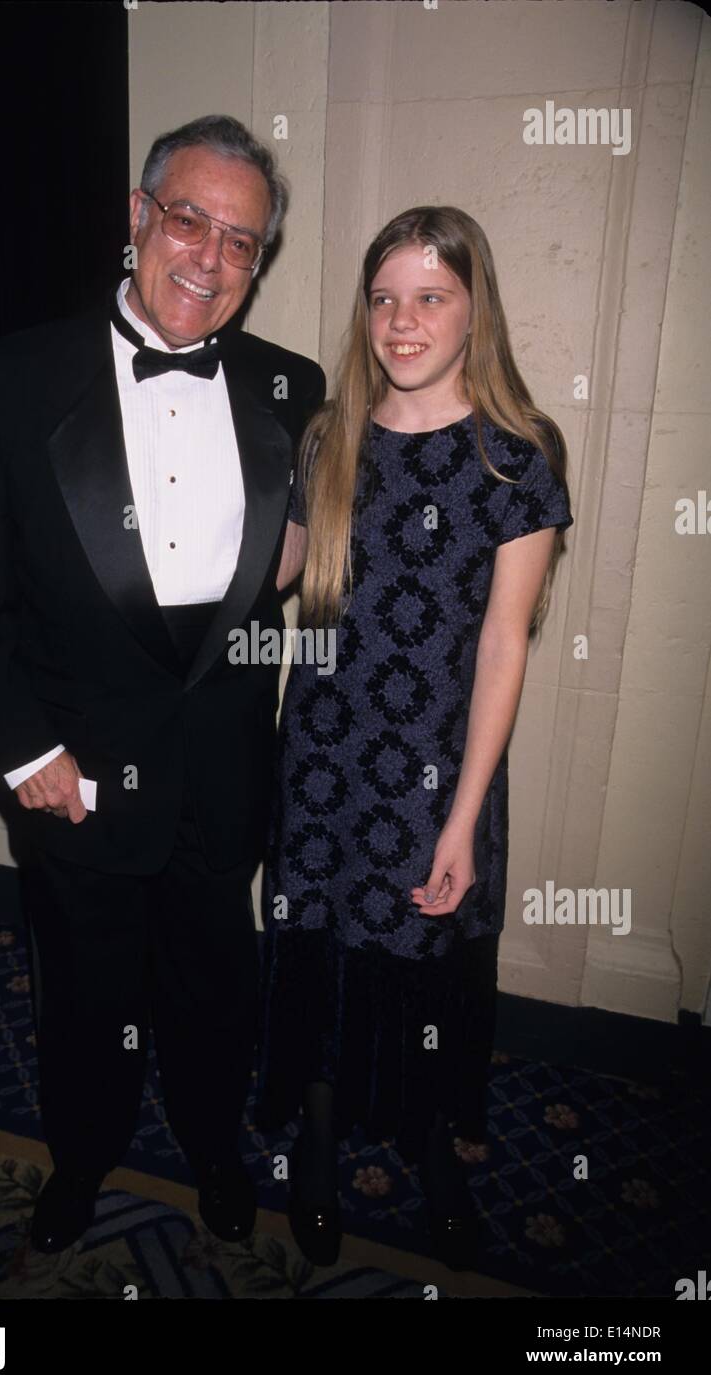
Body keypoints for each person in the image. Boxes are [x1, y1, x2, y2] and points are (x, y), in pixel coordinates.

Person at [0, 114, 324, 1254]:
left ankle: (213, 1146)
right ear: (138, 218)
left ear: (258, 262)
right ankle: (82, 1158)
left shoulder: (292, 389)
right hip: (76, 772)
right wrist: (23, 754)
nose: (207, 257)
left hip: (222, 773)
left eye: (240, 241)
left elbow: (294, 564)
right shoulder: (5, 378)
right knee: (87, 996)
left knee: (213, 987)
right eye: (188, 220)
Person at [255, 206, 573, 1270]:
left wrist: (464, 812)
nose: (401, 319)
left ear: (473, 307)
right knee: (316, 951)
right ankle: (313, 1134)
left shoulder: (513, 457)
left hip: (439, 763)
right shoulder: (326, 434)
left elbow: (501, 648)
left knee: (431, 959)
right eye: (383, 296)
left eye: (429, 295)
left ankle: (432, 1142)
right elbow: (275, 574)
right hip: (324, 751)